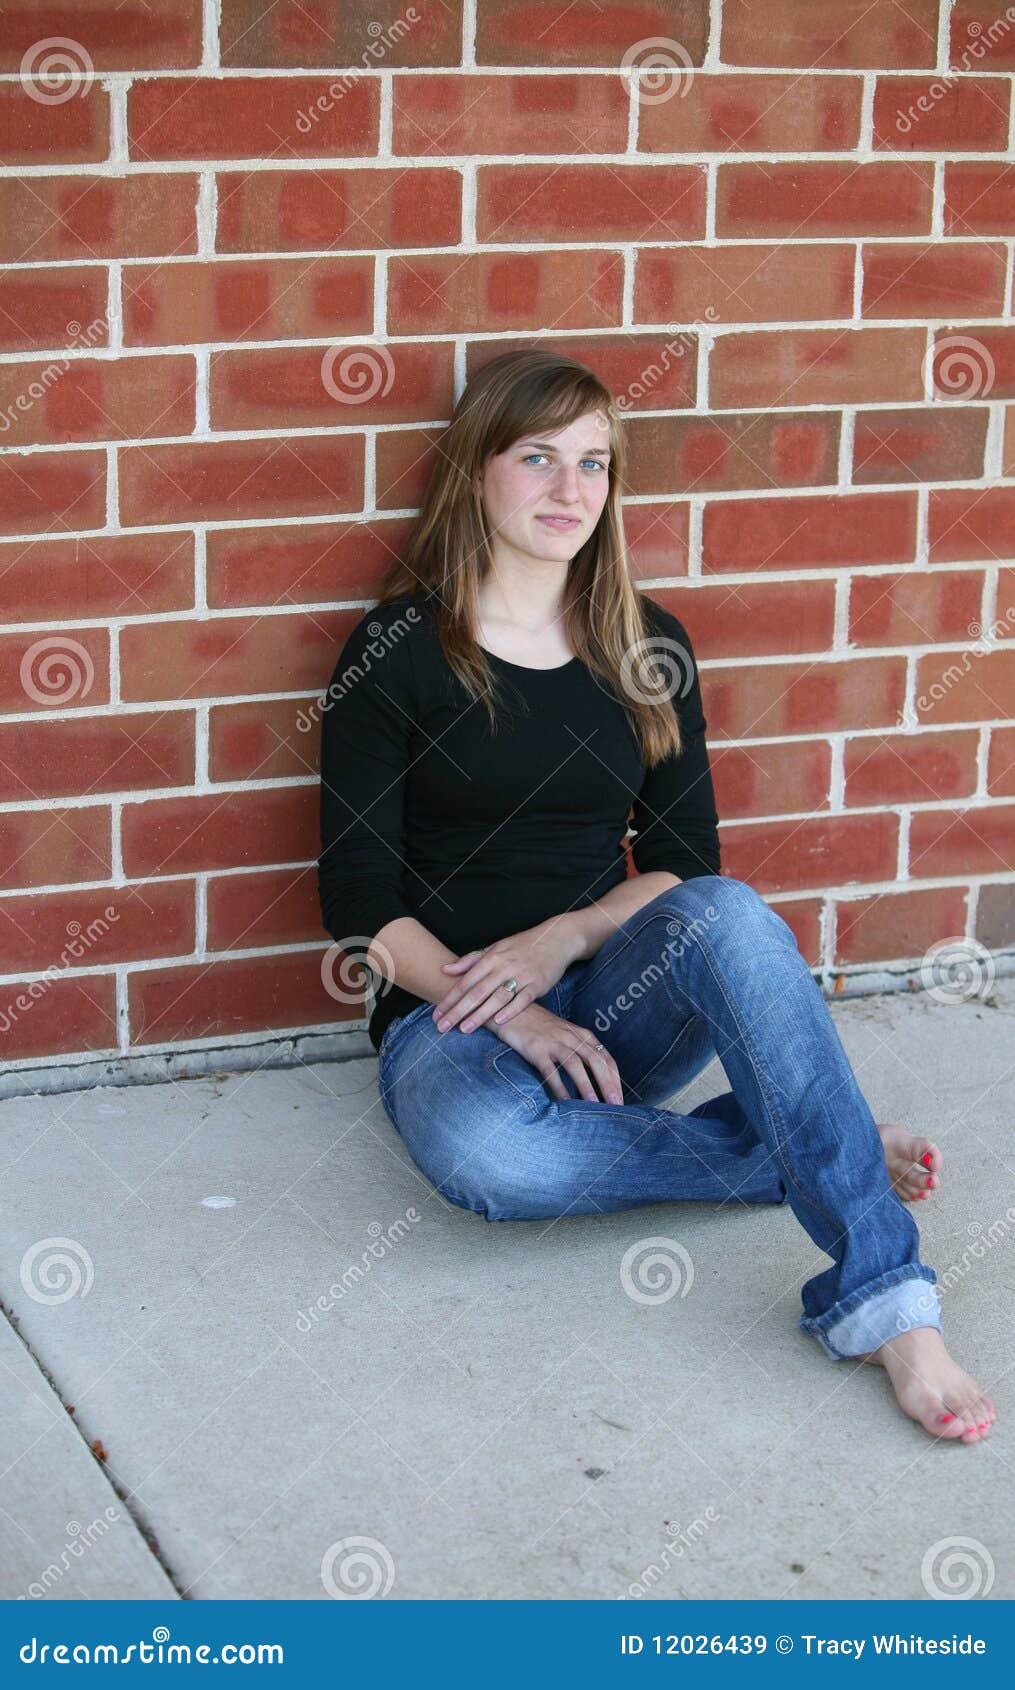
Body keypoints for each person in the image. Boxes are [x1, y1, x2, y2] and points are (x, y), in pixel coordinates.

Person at [318, 347, 995, 1445]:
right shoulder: (396, 649)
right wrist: (508, 1001)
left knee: (729, 910)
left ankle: (887, 1302)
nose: (569, 490)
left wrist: (557, 942)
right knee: (496, 1160)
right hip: (449, 1018)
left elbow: (686, 865)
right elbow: (356, 899)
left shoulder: (650, 648)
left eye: (593, 463)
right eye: (537, 458)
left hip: (621, 1006)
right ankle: (816, 1141)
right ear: (476, 472)